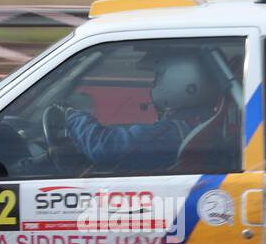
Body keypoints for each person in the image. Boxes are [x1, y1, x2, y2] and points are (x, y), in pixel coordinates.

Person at [63, 53, 221, 173]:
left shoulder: (171, 132)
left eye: (159, 77)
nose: (154, 83)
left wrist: (72, 116)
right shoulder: (198, 121)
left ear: (182, 81)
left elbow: (103, 147)